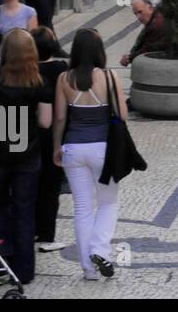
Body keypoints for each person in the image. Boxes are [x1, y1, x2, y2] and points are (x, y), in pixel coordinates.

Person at [0, 27, 53, 284]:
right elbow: (46, 121)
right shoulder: (40, 83)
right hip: (27, 155)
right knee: (24, 209)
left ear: (4, 51)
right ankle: (24, 270)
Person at [51, 29, 126, 279]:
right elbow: (122, 115)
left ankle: (88, 268)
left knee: (82, 208)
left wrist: (56, 147)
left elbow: (60, 117)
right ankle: (100, 250)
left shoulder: (64, 78)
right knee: (108, 202)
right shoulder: (109, 76)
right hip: (104, 149)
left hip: (73, 148)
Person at [32, 27, 69, 254]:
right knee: (50, 187)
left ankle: (32, 228)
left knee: (30, 185)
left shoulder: (26, 70)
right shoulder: (60, 70)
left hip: (29, 135)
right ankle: (47, 235)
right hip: (54, 133)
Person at [120, 0, 167, 67]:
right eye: (136, 14)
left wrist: (129, 57)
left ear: (150, 8)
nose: (138, 17)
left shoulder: (156, 23)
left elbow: (149, 49)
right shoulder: (153, 21)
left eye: (140, 12)